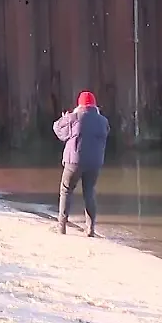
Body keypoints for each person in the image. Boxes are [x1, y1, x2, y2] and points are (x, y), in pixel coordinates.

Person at [52, 91, 109, 236]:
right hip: (94, 162)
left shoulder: (74, 117)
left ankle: (62, 226)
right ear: (94, 105)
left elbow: (58, 130)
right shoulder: (103, 121)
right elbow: (105, 134)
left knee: (66, 190)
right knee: (89, 193)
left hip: (73, 161)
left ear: (79, 104)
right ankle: (90, 229)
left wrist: (65, 118)